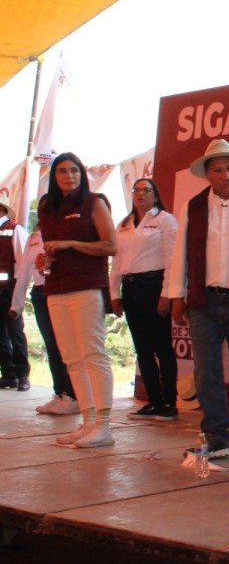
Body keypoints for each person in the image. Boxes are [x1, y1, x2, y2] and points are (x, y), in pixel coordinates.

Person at [167, 139, 229, 460]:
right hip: (203, 301)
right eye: (218, 170)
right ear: (207, 175)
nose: (226, 175)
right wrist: (176, 295)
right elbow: (180, 251)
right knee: (206, 372)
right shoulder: (193, 206)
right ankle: (216, 436)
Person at [37, 152, 117, 448]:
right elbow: (51, 246)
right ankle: (87, 422)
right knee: (71, 358)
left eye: (74, 170)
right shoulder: (47, 207)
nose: (68, 176)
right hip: (56, 286)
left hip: (86, 286)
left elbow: (111, 245)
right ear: (54, 176)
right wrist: (44, 258)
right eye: (61, 171)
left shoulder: (94, 202)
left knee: (92, 354)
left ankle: (104, 426)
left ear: (82, 174)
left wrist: (72, 244)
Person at [110, 178, 179, 420]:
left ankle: (170, 403)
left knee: (162, 347)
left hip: (154, 285)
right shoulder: (125, 223)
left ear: (156, 195)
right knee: (142, 349)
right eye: (136, 190)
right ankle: (154, 401)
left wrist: (167, 293)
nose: (140, 194)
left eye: (146, 190)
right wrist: (113, 293)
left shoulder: (165, 220)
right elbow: (117, 261)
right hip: (131, 288)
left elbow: (173, 259)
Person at [11, 227, 79, 414]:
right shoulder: (34, 236)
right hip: (41, 294)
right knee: (51, 346)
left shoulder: (62, 229)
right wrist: (16, 304)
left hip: (61, 291)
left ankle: (73, 395)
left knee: (64, 346)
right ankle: (59, 393)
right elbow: (25, 267)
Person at [0, 194, 30, 390]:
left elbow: (24, 261)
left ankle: (22, 374)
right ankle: (8, 374)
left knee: (14, 330)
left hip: (11, 287)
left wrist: (19, 290)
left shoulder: (15, 229)